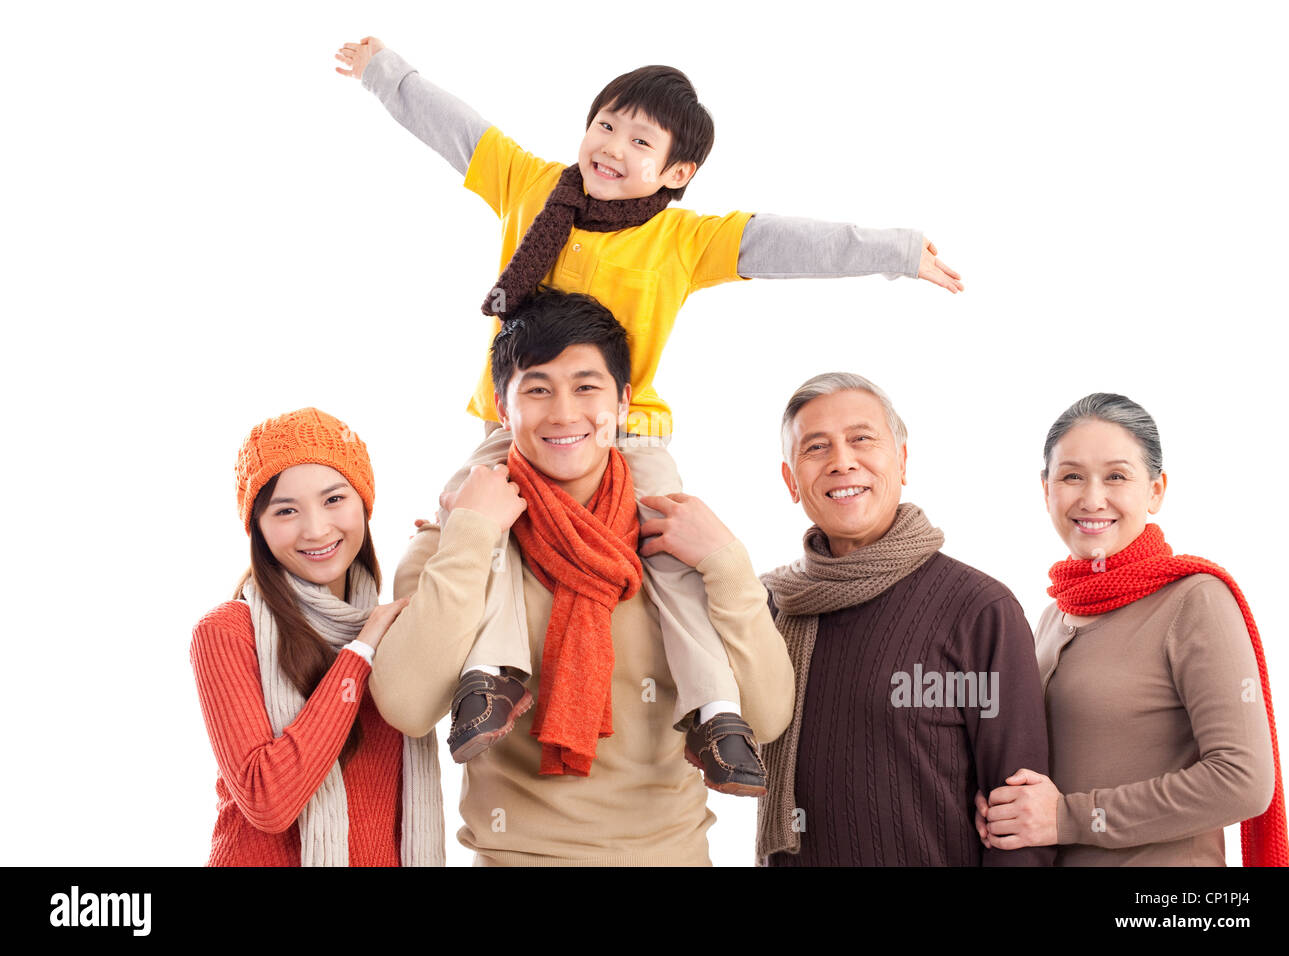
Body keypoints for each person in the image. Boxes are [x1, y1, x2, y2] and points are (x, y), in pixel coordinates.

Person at [334, 36, 961, 790]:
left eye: (640, 141)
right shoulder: (531, 186)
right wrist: (381, 70)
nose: (612, 147)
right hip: (513, 425)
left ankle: (715, 711)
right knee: (469, 520)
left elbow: (789, 243)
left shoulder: (683, 240)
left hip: (631, 433)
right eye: (605, 124)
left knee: (670, 549)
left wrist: (897, 250)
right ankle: (493, 674)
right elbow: (454, 127)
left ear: (676, 172)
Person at [370, 291, 795, 865]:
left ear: (622, 403)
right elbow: (406, 704)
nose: (565, 413)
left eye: (586, 387)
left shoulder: (679, 540)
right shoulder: (454, 538)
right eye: (537, 388)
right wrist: (469, 536)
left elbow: (766, 719)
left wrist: (728, 565)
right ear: (503, 406)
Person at [974, 393, 1289, 866]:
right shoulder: (1053, 616)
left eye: (1116, 476)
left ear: (1156, 491)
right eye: (1071, 476)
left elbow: (1243, 781)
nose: (1091, 497)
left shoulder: (1194, 600)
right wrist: (1004, 809)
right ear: (1046, 491)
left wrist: (1067, 818)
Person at [758, 372, 1053, 866]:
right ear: (791, 480)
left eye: (861, 439)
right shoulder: (770, 606)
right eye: (816, 448)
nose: (842, 461)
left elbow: (1022, 820)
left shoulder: (979, 609)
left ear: (902, 460)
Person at [190, 408, 443, 866]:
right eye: (286, 510)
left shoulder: (393, 629)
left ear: (363, 504)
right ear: (259, 529)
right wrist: (359, 653)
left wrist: (448, 556)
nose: (317, 529)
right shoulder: (227, 631)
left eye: (333, 500)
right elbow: (268, 800)